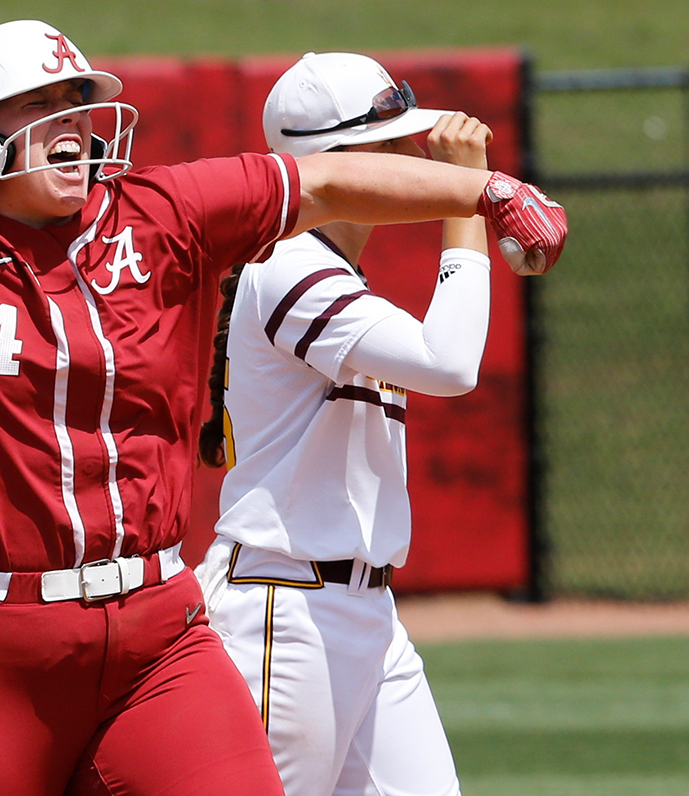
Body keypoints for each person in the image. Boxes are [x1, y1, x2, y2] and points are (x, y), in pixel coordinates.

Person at [0, 21, 565, 796]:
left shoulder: (160, 214)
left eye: (78, 102)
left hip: (156, 628)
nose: (74, 120)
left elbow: (325, 179)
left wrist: (488, 191)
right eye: (41, 103)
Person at [194, 51, 521, 796]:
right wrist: (469, 199)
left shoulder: (325, 269)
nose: (418, 159)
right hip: (285, 611)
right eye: (395, 143)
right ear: (341, 160)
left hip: (362, 609)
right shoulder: (288, 263)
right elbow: (449, 363)